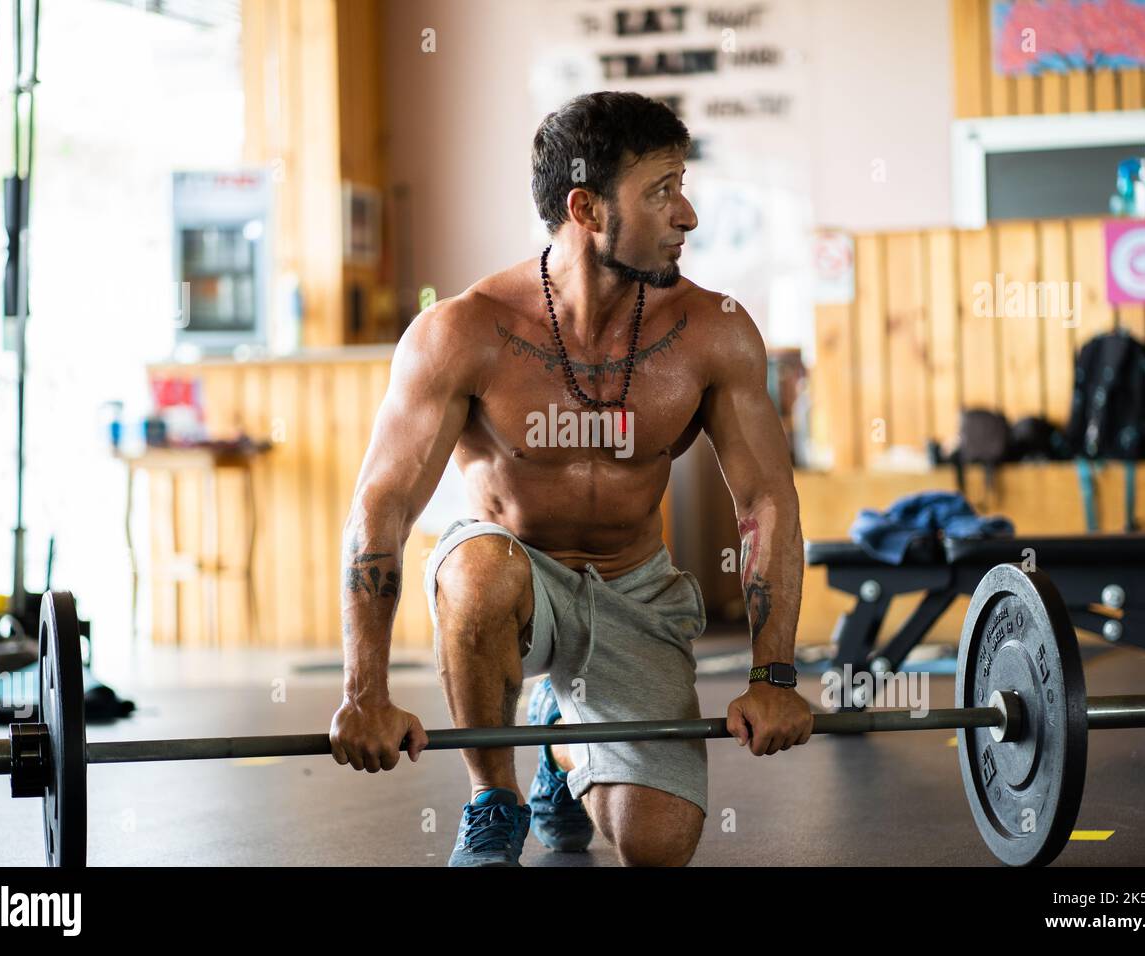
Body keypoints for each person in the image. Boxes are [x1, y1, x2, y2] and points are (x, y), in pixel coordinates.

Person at [329, 91, 812, 867]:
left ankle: (560, 747)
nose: (686, 214)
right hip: (513, 575)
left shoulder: (714, 332)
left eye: (681, 185)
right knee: (480, 571)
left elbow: (766, 502)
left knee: (658, 846)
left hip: (636, 589)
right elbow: (380, 508)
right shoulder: (463, 331)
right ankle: (494, 797)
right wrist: (365, 693)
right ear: (585, 207)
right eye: (661, 191)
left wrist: (775, 673)